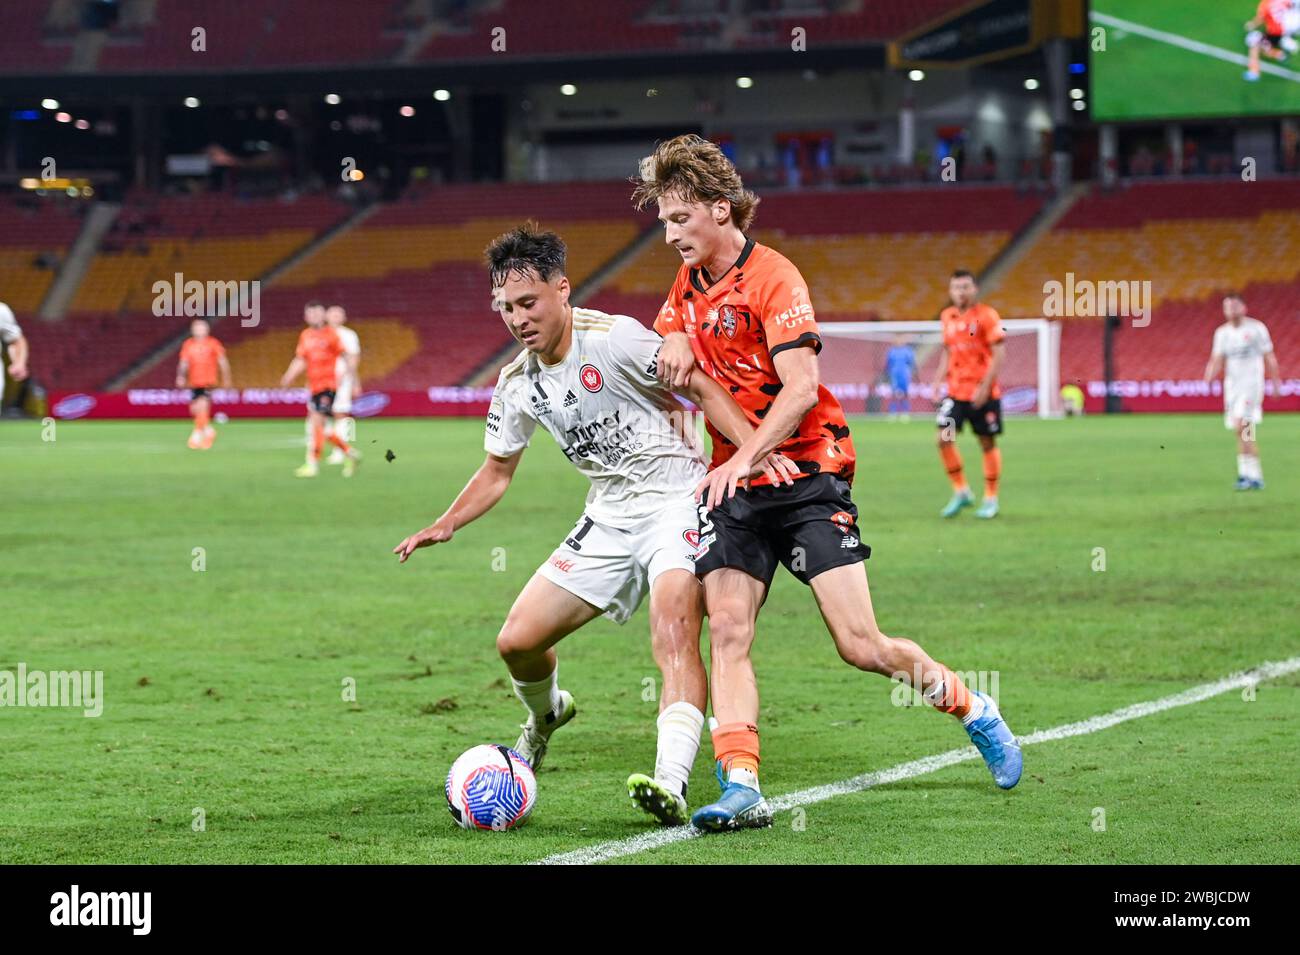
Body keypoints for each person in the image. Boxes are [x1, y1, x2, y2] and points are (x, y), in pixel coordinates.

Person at [636, 134, 1022, 832]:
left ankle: (973, 707)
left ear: (721, 211)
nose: (669, 236)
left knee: (859, 644)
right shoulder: (685, 286)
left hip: (810, 474)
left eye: (680, 219)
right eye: (664, 221)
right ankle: (742, 782)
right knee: (727, 627)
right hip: (738, 484)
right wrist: (671, 342)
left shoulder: (776, 278)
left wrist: (748, 453)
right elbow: (674, 338)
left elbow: (802, 390)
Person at [393, 224, 796, 826]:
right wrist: (447, 523)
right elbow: (497, 470)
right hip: (607, 517)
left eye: (529, 303)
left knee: (673, 633)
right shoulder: (516, 383)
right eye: (506, 308)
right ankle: (546, 715)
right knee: (518, 641)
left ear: (563, 290)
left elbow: (706, 390)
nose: (518, 319)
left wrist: (752, 451)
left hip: (676, 503)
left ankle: (670, 782)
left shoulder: (617, 340)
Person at [932, 270, 1005, 520]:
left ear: (974, 290)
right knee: (944, 438)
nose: (961, 292)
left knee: (986, 442)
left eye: (965, 287)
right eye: (956, 287)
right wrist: (937, 380)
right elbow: (949, 352)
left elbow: (999, 353)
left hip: (982, 393)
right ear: (950, 291)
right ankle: (961, 490)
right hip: (956, 393)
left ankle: (991, 498)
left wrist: (985, 387)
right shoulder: (947, 317)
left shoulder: (987, 316)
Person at [1203, 292, 1282, 490]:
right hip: (1233, 387)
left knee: (1243, 426)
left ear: (1243, 308)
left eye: (1235, 306)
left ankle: (1254, 475)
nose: (1231, 310)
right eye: (1227, 307)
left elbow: (1269, 357)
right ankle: (1247, 475)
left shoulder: (1256, 329)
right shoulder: (1222, 333)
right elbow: (1217, 359)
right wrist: (1208, 377)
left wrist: (1275, 382)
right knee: (1241, 432)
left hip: (1251, 385)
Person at [279, 301, 361, 477]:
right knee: (320, 425)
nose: (314, 317)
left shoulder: (332, 335)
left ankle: (313, 464)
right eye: (311, 314)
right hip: (314, 386)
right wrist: (288, 376)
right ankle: (349, 452)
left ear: (323, 316)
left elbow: (347, 357)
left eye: (318, 313)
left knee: (318, 422)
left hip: (328, 386)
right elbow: (301, 359)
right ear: (306, 317)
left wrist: (352, 380)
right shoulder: (306, 335)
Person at [175, 319, 231, 449]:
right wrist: (181, 376)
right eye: (196, 328)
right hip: (194, 381)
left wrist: (226, 378)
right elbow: (184, 362)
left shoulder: (213, 343)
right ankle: (209, 431)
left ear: (207, 330)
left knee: (202, 406)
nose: (199, 330)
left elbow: (222, 361)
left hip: (208, 380)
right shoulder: (188, 344)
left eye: (201, 328)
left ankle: (197, 436)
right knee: (194, 409)